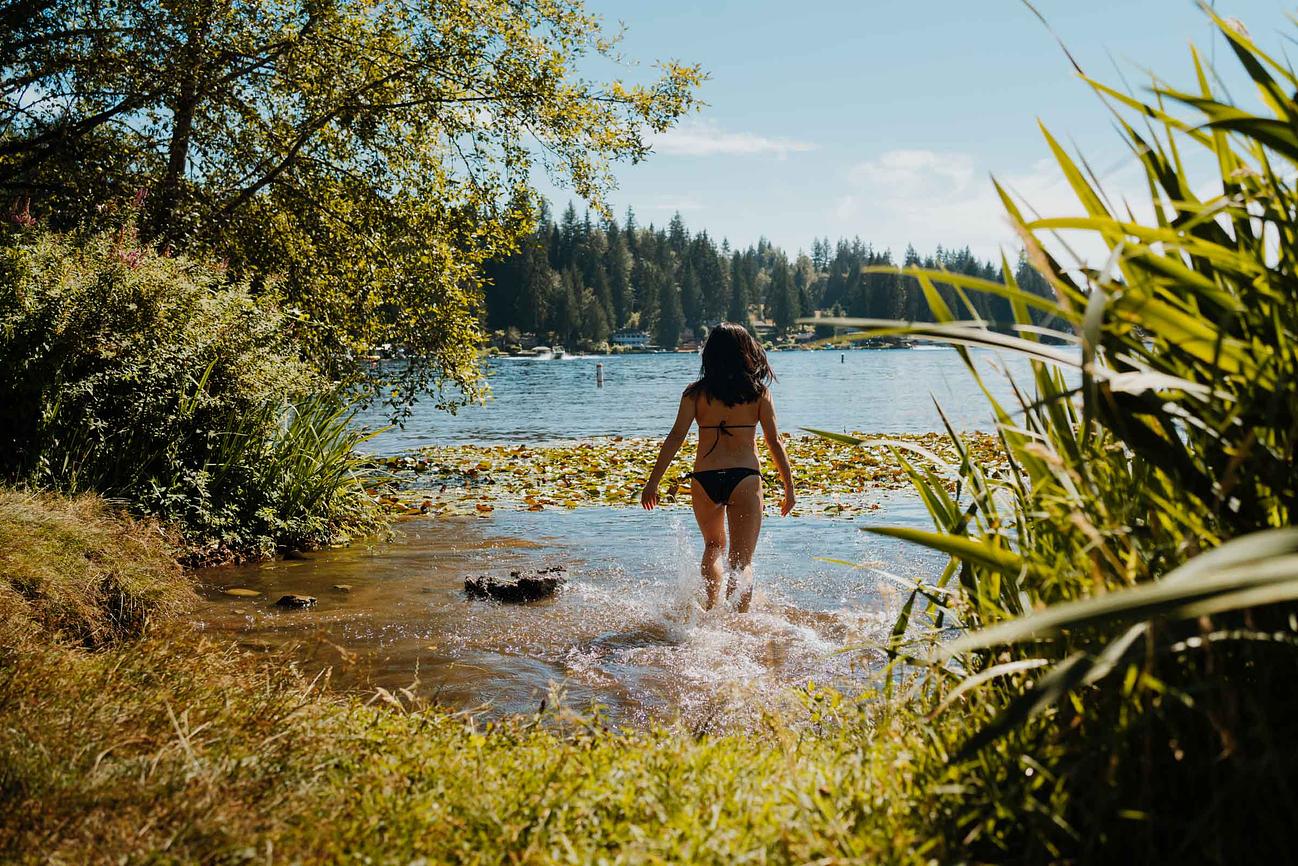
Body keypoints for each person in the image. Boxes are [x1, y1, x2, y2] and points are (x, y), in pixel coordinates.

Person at [640, 323, 795, 612]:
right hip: (744, 478)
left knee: (713, 546)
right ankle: (738, 620)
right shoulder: (759, 394)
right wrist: (789, 487)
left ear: (709, 354)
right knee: (742, 561)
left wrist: (653, 483)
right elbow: (774, 442)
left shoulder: (694, 393)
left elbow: (675, 437)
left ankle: (711, 610)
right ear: (746, 351)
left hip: (705, 478)